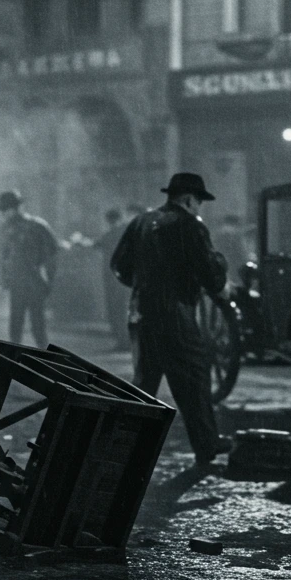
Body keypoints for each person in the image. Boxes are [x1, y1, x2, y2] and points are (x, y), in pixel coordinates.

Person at [110, 172, 232, 465]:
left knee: (144, 382)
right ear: (190, 199)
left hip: (140, 314)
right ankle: (207, 444)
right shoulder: (190, 226)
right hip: (175, 315)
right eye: (199, 202)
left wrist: (145, 287)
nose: (199, 208)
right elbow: (211, 275)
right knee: (193, 379)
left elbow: (119, 265)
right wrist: (219, 268)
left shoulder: (140, 222)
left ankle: (121, 450)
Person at [0, 190, 59, 348]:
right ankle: (15, 361)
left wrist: (48, 276)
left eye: (7, 210)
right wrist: (1, 279)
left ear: (17, 208)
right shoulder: (4, 229)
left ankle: (44, 359)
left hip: (35, 281)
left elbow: (52, 252)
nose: (4, 214)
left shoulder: (37, 225)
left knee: (37, 325)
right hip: (17, 283)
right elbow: (1, 255)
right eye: (3, 211)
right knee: (16, 324)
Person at [94, 207, 131, 350]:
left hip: (113, 278)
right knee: (121, 309)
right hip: (123, 277)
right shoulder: (125, 232)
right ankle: (124, 341)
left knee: (116, 309)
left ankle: (122, 341)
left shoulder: (110, 234)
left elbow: (96, 244)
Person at [215, 214, 250, 281]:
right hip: (234, 268)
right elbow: (242, 253)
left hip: (224, 267)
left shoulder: (218, 237)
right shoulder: (236, 237)